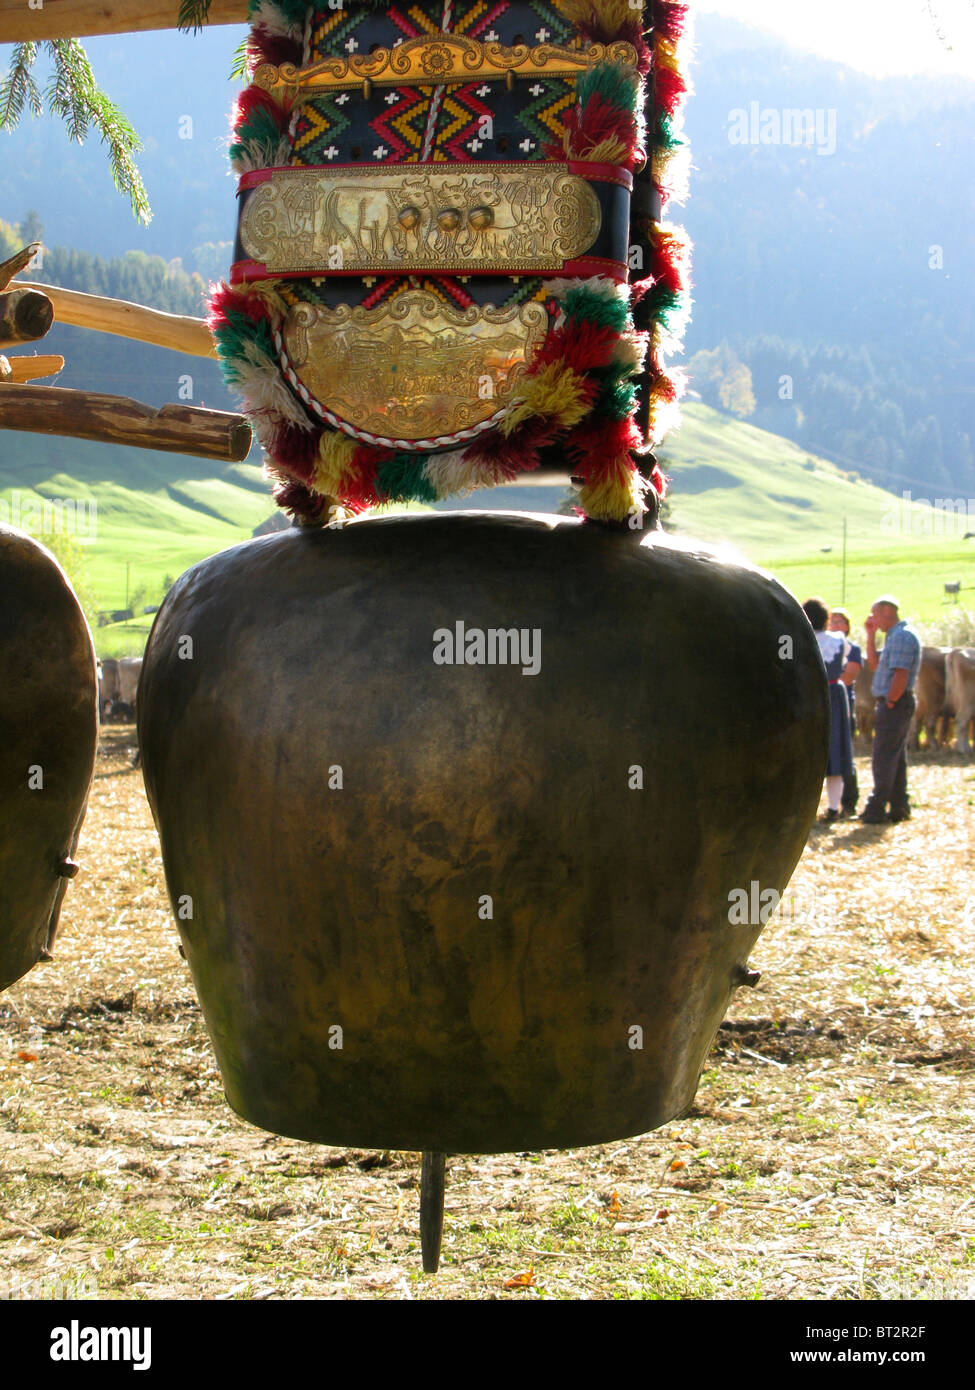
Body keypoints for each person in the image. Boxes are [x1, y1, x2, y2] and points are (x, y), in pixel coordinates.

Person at [859, 595, 921, 824]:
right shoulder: (895, 636)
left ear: (887, 611)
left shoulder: (902, 637)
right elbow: (875, 665)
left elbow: (900, 674)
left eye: (874, 614)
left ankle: (876, 807)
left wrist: (892, 701)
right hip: (894, 702)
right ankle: (899, 806)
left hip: (894, 703)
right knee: (896, 756)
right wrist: (870, 634)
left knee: (884, 755)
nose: (872, 619)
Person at [803, 597, 854, 823]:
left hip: (809, 696)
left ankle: (807, 811)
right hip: (834, 694)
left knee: (809, 754)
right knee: (835, 752)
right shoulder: (839, 640)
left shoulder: (798, 640)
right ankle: (834, 807)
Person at [829, 607, 862, 815]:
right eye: (833, 621)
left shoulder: (853, 649)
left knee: (844, 756)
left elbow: (847, 677)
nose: (836, 625)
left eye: (840, 621)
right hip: (829, 705)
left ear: (847, 626)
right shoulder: (826, 645)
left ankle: (849, 803)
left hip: (843, 706)